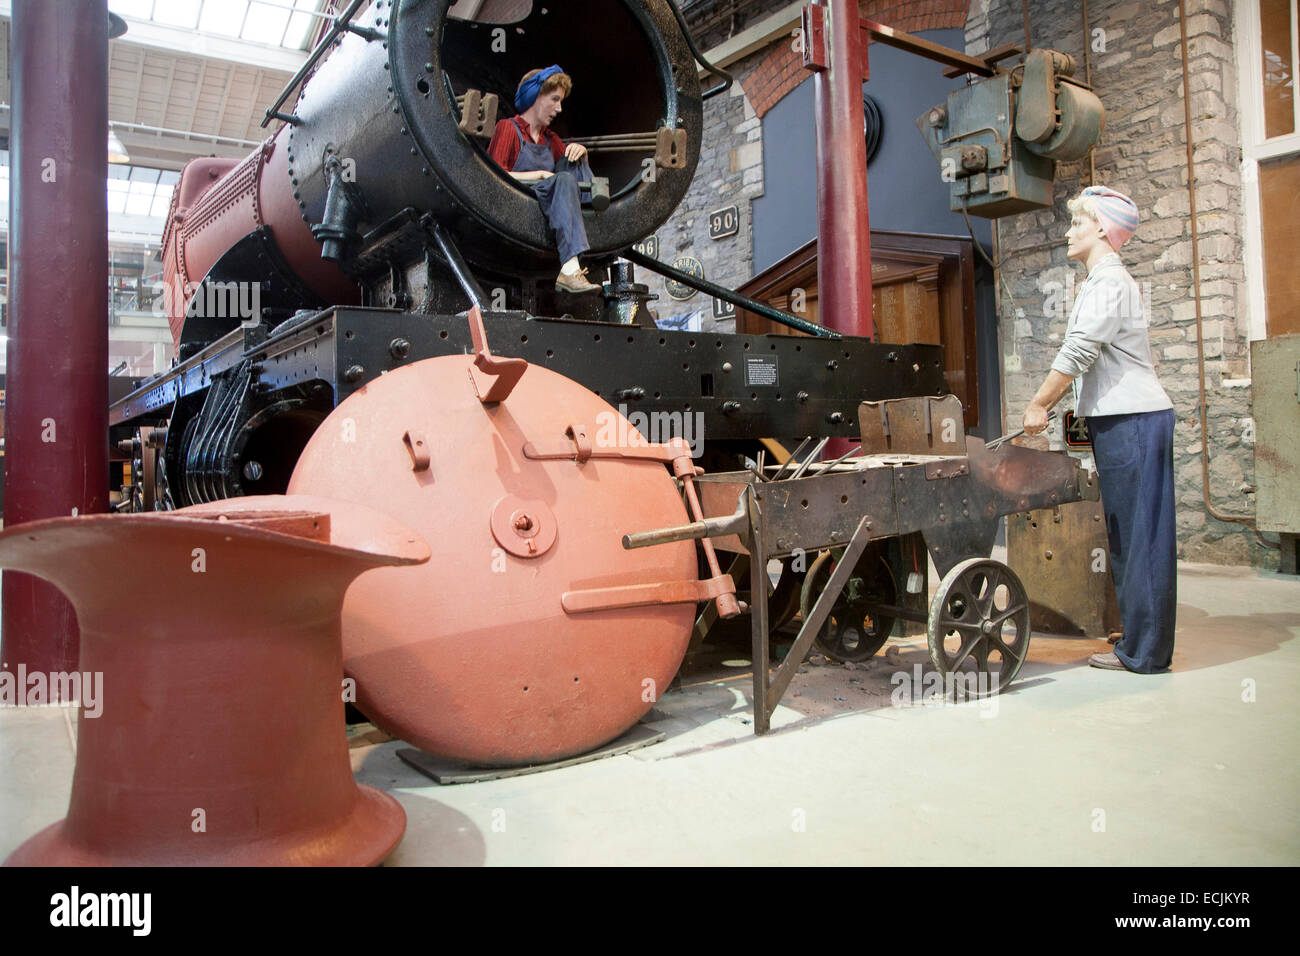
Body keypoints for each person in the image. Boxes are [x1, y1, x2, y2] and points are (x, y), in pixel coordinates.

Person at [1021, 185, 1176, 674]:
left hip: (1133, 421)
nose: (1069, 231)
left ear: (1103, 230)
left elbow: (1078, 353)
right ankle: (1138, 634)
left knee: (1139, 536)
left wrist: (1039, 403)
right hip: (1123, 421)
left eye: (1078, 223)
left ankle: (1145, 653)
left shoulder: (1109, 283)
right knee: (1128, 535)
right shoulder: (1099, 282)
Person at [487, 65, 601, 294]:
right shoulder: (508, 128)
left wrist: (581, 155)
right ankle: (569, 269)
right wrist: (538, 175)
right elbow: (492, 178)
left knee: (573, 163)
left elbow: (569, 179)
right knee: (563, 180)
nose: (559, 108)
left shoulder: (552, 140)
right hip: (519, 207)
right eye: (554, 99)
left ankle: (578, 258)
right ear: (536, 97)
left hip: (553, 209)